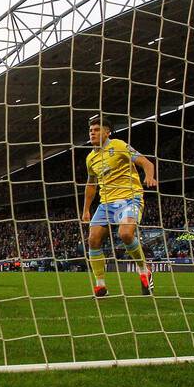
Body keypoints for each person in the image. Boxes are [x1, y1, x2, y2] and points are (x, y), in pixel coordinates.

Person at [81, 116, 158, 298]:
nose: (92, 133)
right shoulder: (90, 158)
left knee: (125, 234)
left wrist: (149, 176)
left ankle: (144, 270)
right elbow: (91, 185)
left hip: (130, 198)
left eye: (97, 130)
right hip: (106, 203)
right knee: (93, 239)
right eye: (91, 130)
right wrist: (86, 209)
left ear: (107, 132)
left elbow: (146, 162)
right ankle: (101, 286)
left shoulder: (119, 145)